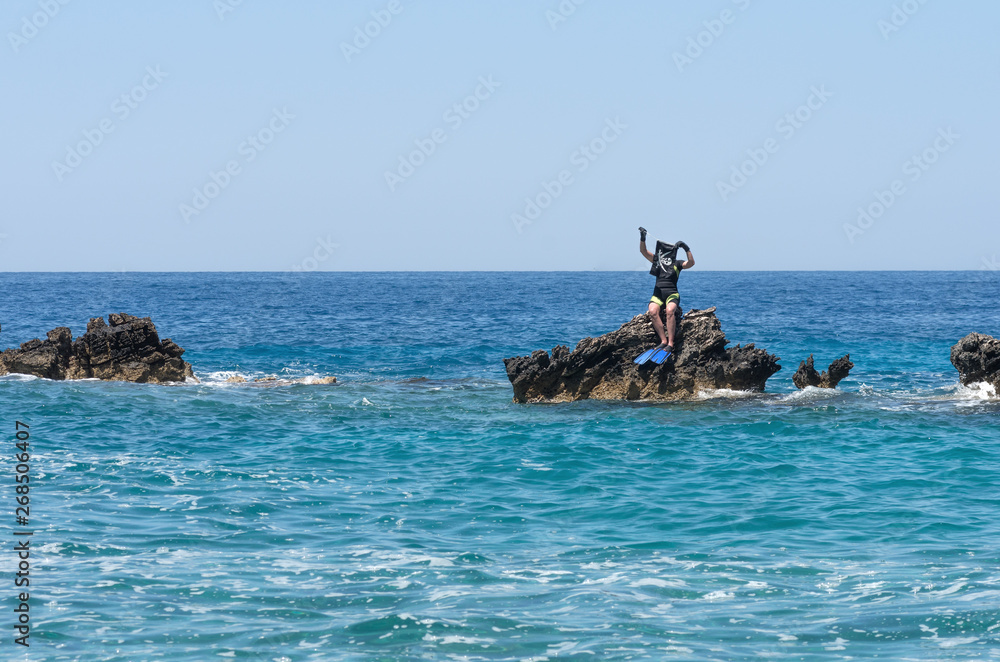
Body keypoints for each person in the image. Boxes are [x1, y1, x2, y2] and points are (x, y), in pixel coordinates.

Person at [638, 227, 694, 359]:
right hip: (658, 294)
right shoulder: (657, 261)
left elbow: (691, 263)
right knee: (652, 311)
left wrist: (686, 248)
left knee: (670, 311)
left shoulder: (677, 263)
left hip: (672, 294)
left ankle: (670, 343)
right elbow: (643, 251)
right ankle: (663, 341)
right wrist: (643, 237)